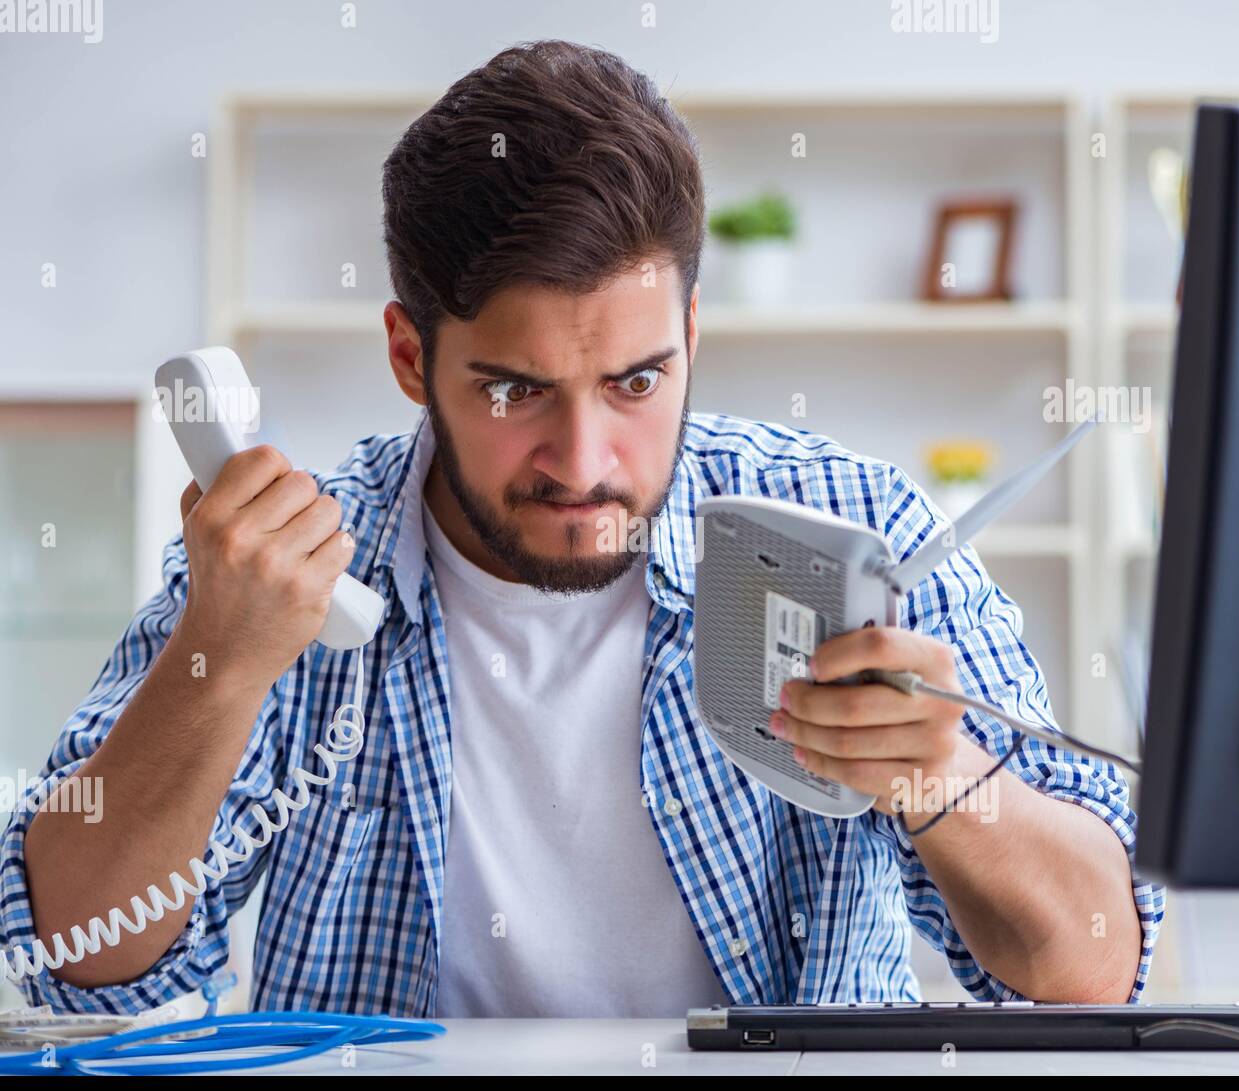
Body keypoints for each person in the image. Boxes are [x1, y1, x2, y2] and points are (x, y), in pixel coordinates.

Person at [1, 40, 1162, 1018]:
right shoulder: (287, 564)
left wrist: (942, 777)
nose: (586, 462)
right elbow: (72, 965)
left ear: (693, 332)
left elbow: (1093, 964)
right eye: (514, 390)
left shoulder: (858, 528)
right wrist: (219, 663)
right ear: (412, 357)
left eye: (636, 381)